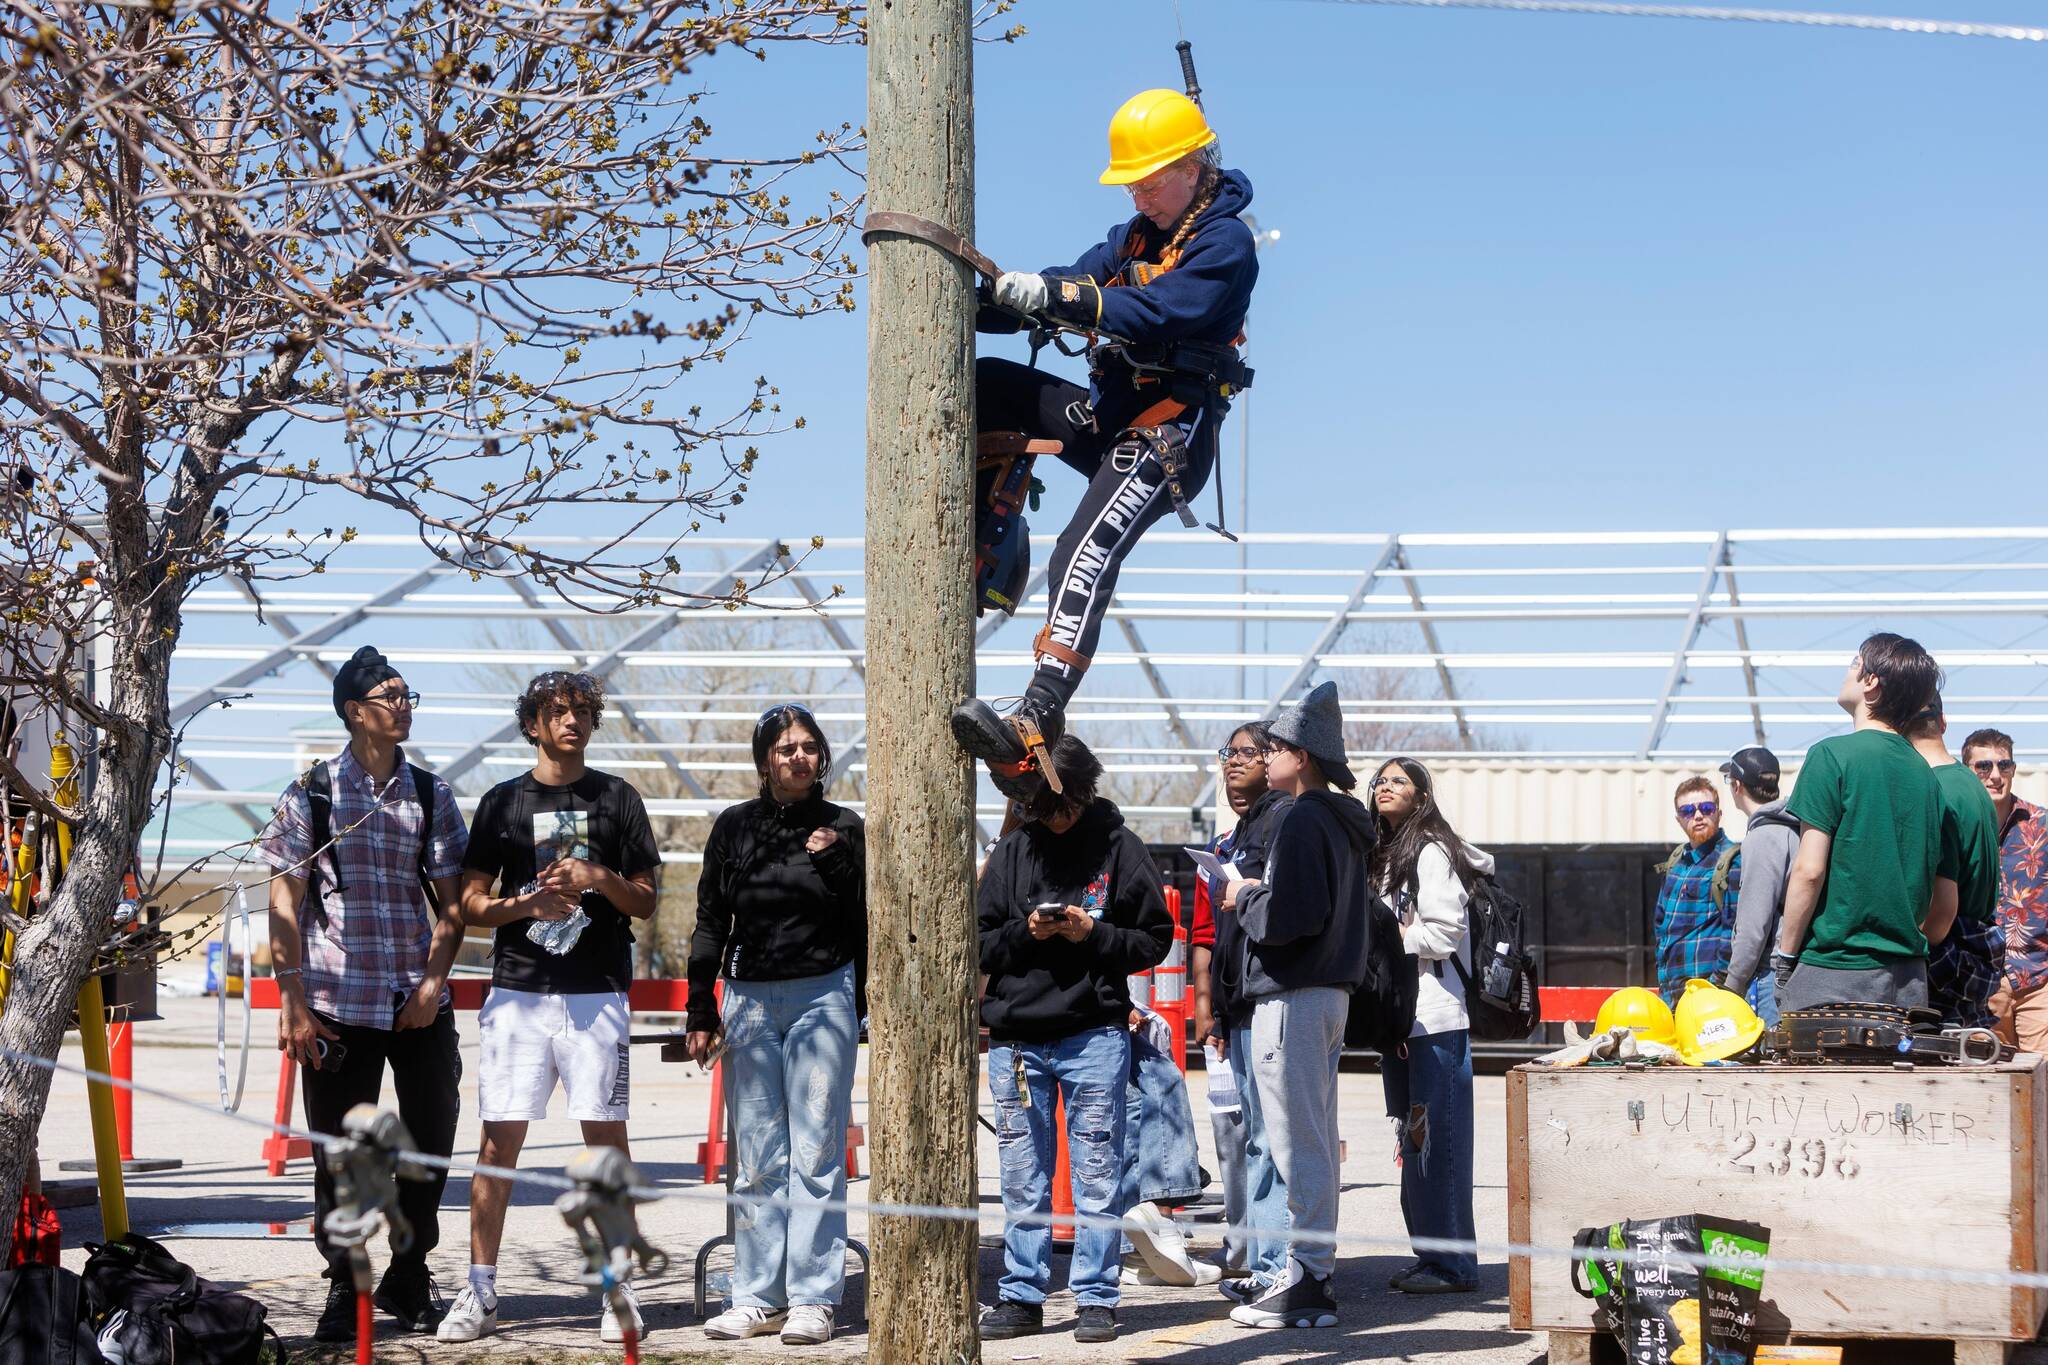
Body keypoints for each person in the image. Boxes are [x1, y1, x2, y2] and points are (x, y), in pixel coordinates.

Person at [950, 88, 1258, 798]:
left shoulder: (1225, 244)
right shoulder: (1134, 237)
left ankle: (1035, 720)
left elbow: (1156, 310)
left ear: (1192, 167)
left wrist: (1061, 300)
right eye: (1133, 185)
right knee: (990, 383)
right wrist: (981, 297)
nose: (1140, 196)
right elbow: (1073, 281)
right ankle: (974, 545)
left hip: (1165, 438)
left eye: (1150, 182)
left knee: (1082, 548)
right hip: (1109, 416)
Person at [439, 672, 661, 1344]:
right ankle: (478, 1290)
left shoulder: (617, 797)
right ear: (533, 722)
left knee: (606, 1143)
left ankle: (616, 1290)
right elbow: (470, 902)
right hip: (518, 990)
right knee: (496, 1143)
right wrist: (527, 904)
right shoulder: (505, 800)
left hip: (597, 991)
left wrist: (598, 877)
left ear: (594, 723)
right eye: (557, 711)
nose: (571, 720)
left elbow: (647, 899)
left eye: (583, 711)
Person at [259, 646, 468, 1342]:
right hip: (336, 1003)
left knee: (430, 1144)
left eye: (409, 694)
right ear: (356, 711)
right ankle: (345, 1287)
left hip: (418, 1002)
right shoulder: (309, 795)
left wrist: (434, 984)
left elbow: (453, 905)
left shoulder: (432, 794)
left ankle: (409, 1278)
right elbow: (283, 902)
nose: (404, 705)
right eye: (391, 694)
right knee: (340, 1157)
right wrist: (292, 1001)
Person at [978, 735, 1174, 1345]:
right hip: (1016, 1038)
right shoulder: (1013, 851)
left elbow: (1154, 938)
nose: (1053, 817)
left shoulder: (1121, 848)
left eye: (1061, 804)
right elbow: (979, 942)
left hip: (1094, 1033)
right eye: (1040, 806)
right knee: (1021, 1174)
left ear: (1086, 791)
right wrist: (1028, 932)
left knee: (1096, 1171)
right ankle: (1022, 1294)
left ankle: (1096, 1297)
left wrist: (1093, 934)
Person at [684, 704, 866, 1346]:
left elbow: (865, 918)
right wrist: (701, 1009)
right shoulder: (735, 828)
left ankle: (815, 1298)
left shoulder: (845, 827)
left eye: (810, 747)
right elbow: (711, 920)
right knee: (758, 1154)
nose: (798, 757)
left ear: (822, 758)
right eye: (785, 748)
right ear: (765, 759)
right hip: (749, 997)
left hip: (825, 993)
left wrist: (839, 862)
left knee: (817, 1150)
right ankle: (757, 1295)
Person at [1220, 681, 1373, 1329]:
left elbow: (1292, 916)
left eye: (1275, 745)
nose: (1265, 753)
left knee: (1295, 1141)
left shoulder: (1307, 817)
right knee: (1305, 1136)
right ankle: (1307, 1273)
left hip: (1295, 993)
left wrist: (1246, 895)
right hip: (1325, 992)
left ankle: (1308, 1280)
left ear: (1301, 756)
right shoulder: (1339, 821)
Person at [1366, 756, 1486, 1296]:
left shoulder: (1432, 852)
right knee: (1414, 1143)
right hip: (1401, 1026)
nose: (1385, 787)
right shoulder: (1385, 857)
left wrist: (1388, 938)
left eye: (1398, 781)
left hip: (1434, 1021)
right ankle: (1431, 1257)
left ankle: (1454, 1265)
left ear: (1421, 796)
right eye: (1379, 781)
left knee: (1438, 1143)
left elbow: (1440, 934)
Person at [1774, 633, 1945, 1011]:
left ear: (1871, 683)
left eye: (1854, 663)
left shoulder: (1831, 756)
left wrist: (1784, 958)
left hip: (1834, 974)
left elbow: (1809, 870)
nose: (1847, 671)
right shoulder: (1926, 776)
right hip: (1910, 979)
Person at [1201, 722, 1292, 1298]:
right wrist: (1216, 1013)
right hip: (1239, 1004)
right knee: (1249, 1135)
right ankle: (1263, 1263)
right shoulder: (1233, 838)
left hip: (1273, 998)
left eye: (1246, 753)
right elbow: (1214, 938)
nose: (1233, 762)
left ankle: (1278, 1265)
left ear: (1276, 758)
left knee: (1271, 1136)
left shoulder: (1286, 822)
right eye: (1227, 753)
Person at [1903, 699, 2002, 1029]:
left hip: (1946, 978)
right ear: (1942, 722)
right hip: (1973, 964)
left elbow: (1939, 919)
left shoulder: (1934, 789)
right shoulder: (1970, 783)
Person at [1968, 729, 2048, 1052]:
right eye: (1984, 767)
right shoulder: (1958, 825)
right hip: (1980, 986)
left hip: (2038, 981)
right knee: (1990, 1087)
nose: (1995, 776)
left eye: (2005, 765)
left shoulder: (2041, 826)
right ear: (1969, 772)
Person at [1720, 746, 1798, 1028]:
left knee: (1775, 1067)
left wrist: (1734, 984)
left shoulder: (1763, 836)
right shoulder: (1794, 828)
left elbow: (1755, 924)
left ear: (1736, 786)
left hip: (1773, 974)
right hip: (1797, 969)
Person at [1652, 777, 1741, 1007]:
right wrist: (1664, 982)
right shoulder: (1674, 864)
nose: (1698, 816)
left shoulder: (1733, 861)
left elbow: (1734, 932)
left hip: (1710, 1001)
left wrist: (1715, 987)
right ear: (1679, 820)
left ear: (1719, 813)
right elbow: (1662, 929)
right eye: (1688, 810)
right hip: (1672, 998)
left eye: (1707, 808)